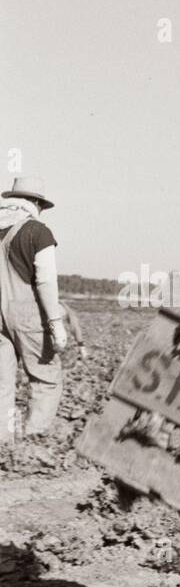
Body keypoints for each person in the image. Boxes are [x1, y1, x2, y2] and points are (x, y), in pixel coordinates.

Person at [0, 177, 69, 442]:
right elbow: (46, 280)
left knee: (3, 384)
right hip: (25, 313)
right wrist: (55, 323)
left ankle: (3, 444)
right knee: (46, 379)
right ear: (36, 203)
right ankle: (33, 441)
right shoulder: (38, 231)